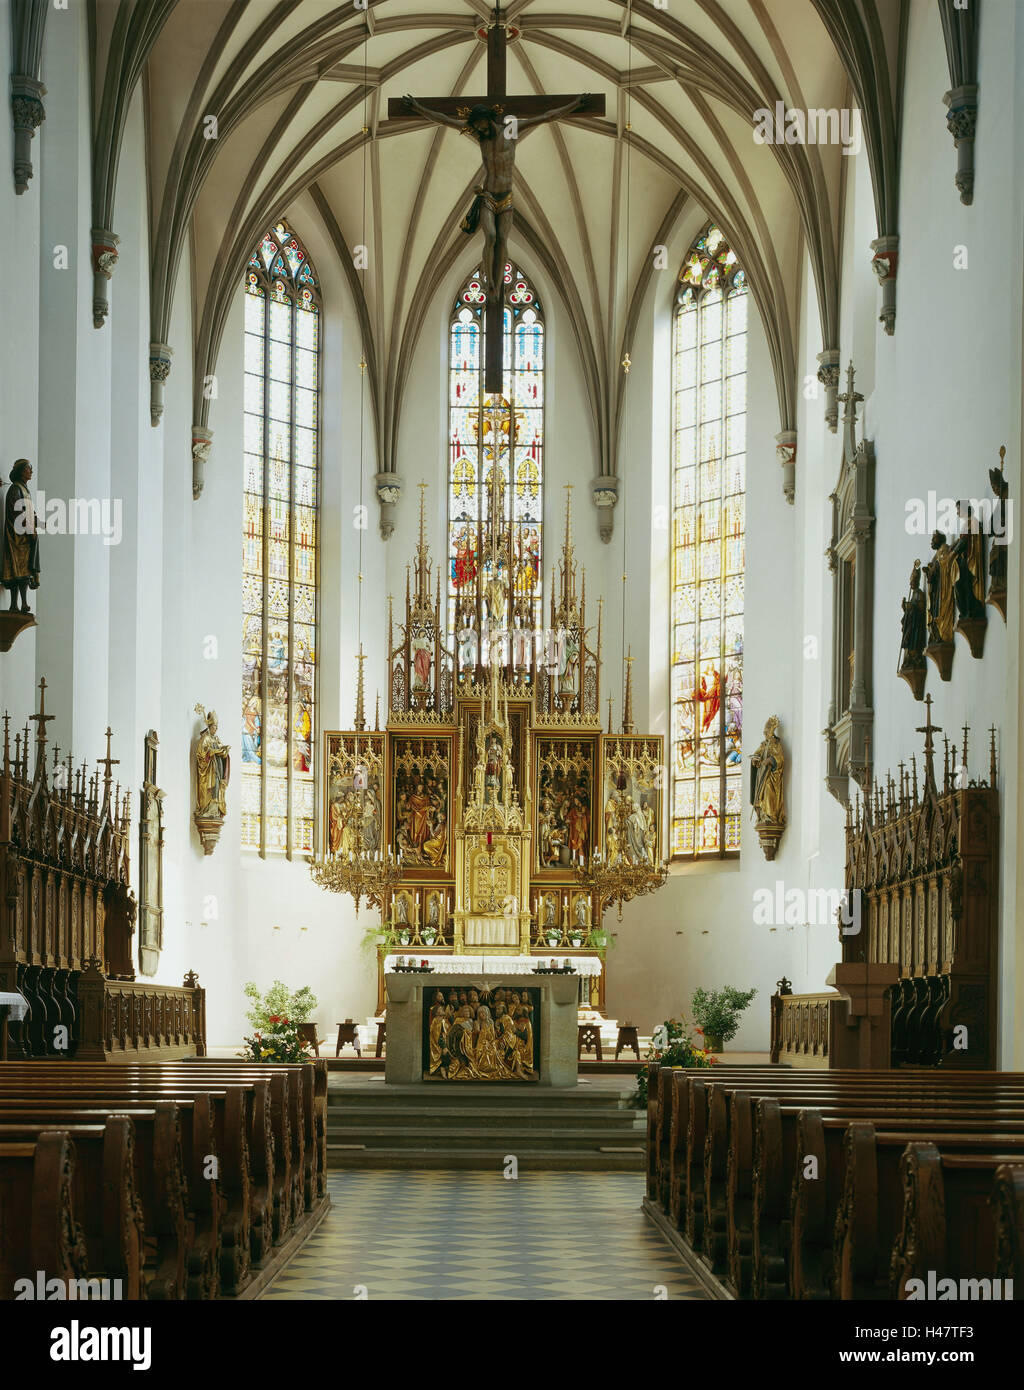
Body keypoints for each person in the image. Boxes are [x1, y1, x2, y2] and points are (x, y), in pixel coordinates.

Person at [1, 459, 40, 613]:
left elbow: (29, 511)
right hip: (17, 537)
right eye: (29, 469)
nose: (31, 472)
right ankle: (15, 604)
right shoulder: (15, 490)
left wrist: (36, 520)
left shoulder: (24, 490)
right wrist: (29, 528)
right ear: (21, 471)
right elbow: (19, 513)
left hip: (24, 535)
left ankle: (23, 603)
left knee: (24, 570)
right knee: (18, 570)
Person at [195, 710, 230, 818]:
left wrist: (224, 752)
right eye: (214, 727)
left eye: (217, 727)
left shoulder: (216, 739)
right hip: (209, 770)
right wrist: (211, 752)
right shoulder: (204, 738)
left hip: (217, 768)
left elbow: (223, 755)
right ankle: (207, 809)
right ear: (209, 727)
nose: (216, 729)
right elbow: (200, 754)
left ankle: (215, 810)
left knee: (217, 786)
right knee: (211, 787)